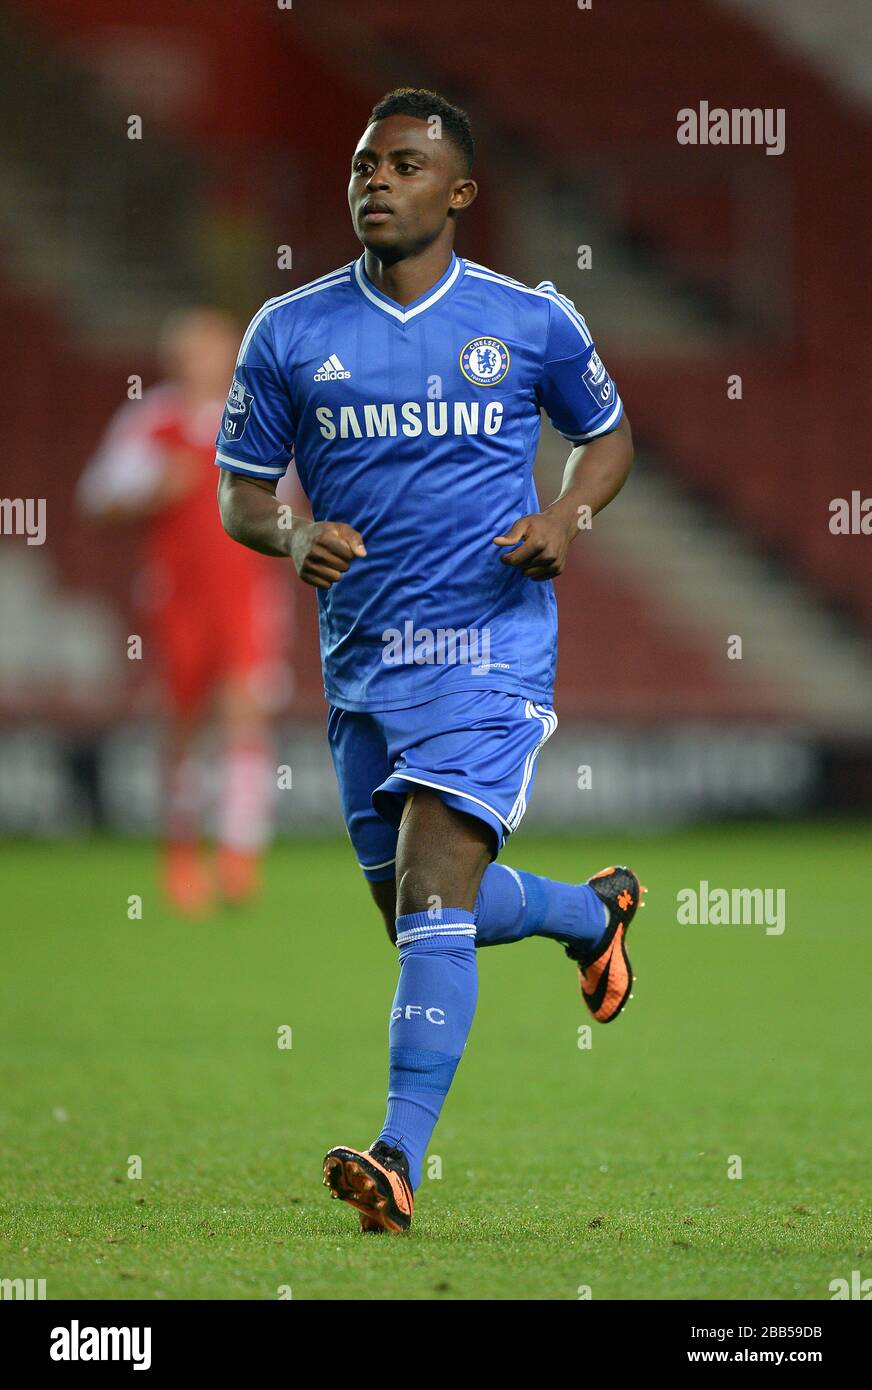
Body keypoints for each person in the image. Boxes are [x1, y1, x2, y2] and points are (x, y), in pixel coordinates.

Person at [216, 89, 643, 1233]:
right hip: (361, 666)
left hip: (488, 651)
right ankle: (587, 916)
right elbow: (240, 497)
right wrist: (294, 536)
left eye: (403, 165)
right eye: (364, 163)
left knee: (433, 894)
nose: (374, 180)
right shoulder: (288, 332)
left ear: (457, 194)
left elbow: (605, 437)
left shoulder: (528, 321)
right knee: (422, 917)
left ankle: (398, 1156)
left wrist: (561, 520)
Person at [78, 308, 292, 913]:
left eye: (207, 347)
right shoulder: (152, 419)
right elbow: (96, 498)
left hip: (247, 590)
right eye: (186, 348)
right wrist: (151, 490)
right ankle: (180, 854)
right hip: (177, 596)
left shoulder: (259, 415)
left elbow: (294, 505)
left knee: (245, 713)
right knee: (184, 723)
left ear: (229, 353)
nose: (194, 359)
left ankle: (238, 858)